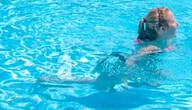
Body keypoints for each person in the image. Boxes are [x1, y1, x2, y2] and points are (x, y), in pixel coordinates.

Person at [41, 7, 178, 90]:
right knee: (97, 84)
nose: (177, 24)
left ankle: (61, 79)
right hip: (123, 69)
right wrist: (130, 66)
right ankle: (58, 80)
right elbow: (138, 56)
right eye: (174, 21)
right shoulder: (152, 47)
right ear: (162, 29)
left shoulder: (150, 38)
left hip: (127, 67)